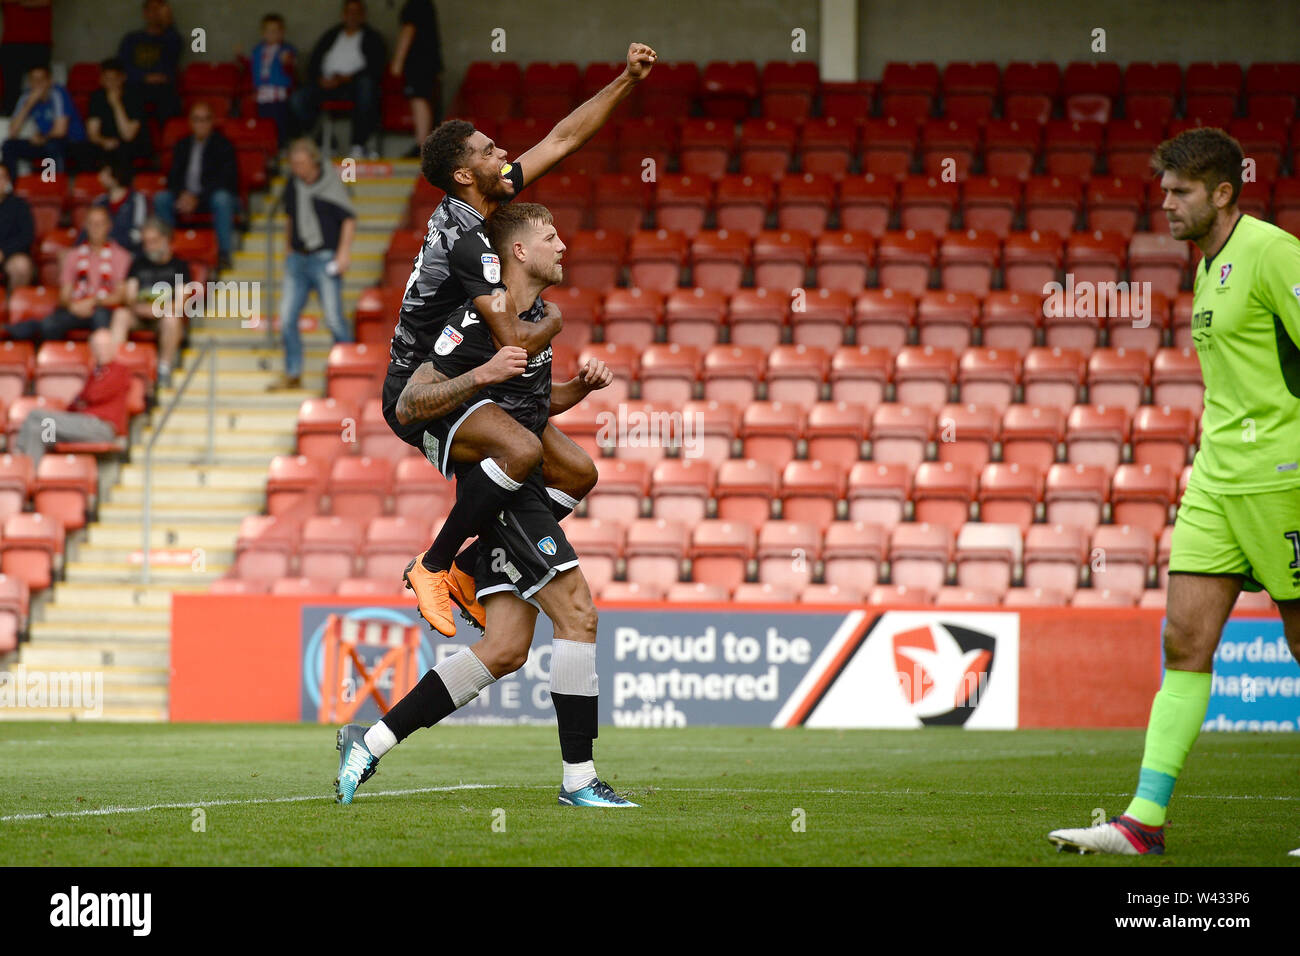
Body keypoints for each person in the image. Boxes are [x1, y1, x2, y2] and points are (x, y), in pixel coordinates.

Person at [1048, 127, 1300, 857]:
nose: (1165, 204)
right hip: (1218, 480)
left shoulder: (1272, 252)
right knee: (1184, 640)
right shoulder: (1208, 264)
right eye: (1163, 190)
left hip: (1282, 477)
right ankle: (1142, 822)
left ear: (1223, 192)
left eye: (1180, 191)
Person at [336, 203, 630, 809]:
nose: (563, 245)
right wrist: (479, 377)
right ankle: (579, 781)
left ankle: (371, 739)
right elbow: (414, 399)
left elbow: (532, 409)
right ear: (518, 251)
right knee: (577, 614)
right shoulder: (476, 317)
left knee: (504, 649)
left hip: (516, 474)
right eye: (551, 236)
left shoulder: (538, 317)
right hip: (504, 485)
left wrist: (583, 387)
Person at [383, 42, 657, 635]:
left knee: (578, 473)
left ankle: (470, 564)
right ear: (464, 175)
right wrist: (555, 320)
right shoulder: (466, 242)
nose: (502, 154)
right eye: (488, 150)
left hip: (471, 369)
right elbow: (514, 339)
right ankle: (432, 565)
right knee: (523, 452)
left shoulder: (482, 210)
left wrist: (626, 80)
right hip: (422, 389)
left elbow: (561, 139)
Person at [266, 138, 355, 391]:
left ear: (313, 161)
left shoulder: (331, 183)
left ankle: (348, 370)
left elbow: (348, 219)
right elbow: (290, 217)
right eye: (293, 164)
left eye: (301, 163)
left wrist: (343, 254)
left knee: (334, 319)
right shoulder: (293, 183)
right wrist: (288, 249)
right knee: (286, 318)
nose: (297, 168)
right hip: (298, 259)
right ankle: (293, 374)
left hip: (325, 257)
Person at [8, 204, 129, 343]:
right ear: (86, 226)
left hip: (104, 309)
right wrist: (73, 306)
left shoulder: (121, 255)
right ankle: (52, 358)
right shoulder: (73, 255)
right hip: (76, 307)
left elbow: (121, 296)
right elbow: (64, 295)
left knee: (101, 317)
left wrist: (94, 301)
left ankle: (99, 362)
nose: (96, 228)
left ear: (109, 226)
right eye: (92, 223)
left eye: (100, 223)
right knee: (50, 324)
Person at [14, 328, 129, 466]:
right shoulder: (95, 372)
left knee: (36, 415)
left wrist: (82, 399)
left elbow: (92, 395)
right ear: (91, 349)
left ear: (114, 347)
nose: (101, 350)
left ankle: (17, 458)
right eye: (97, 347)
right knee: (36, 430)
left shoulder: (120, 370)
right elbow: (75, 404)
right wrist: (81, 400)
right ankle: (28, 475)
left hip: (101, 428)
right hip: (82, 426)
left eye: (104, 346)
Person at [291, 0, 386, 157]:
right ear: (343, 15)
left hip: (353, 85)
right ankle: (318, 139)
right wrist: (320, 79)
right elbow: (313, 62)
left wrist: (346, 78)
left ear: (363, 16)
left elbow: (375, 68)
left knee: (367, 86)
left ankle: (358, 144)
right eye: (349, 12)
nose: (352, 16)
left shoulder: (372, 38)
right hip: (326, 85)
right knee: (298, 99)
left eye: (356, 12)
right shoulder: (332, 35)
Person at [152, 102, 239, 271]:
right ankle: (167, 251)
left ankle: (223, 254)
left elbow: (226, 181)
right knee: (161, 199)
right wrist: (181, 195)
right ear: (191, 122)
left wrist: (197, 198)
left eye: (206, 119)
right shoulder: (182, 145)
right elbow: (172, 178)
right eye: (197, 119)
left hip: (210, 197)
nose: (201, 124)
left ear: (212, 121)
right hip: (185, 198)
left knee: (222, 199)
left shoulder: (224, 145)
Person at [111, 216, 186, 388]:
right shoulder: (138, 264)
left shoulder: (179, 266)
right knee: (120, 314)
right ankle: (115, 366)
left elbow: (182, 302)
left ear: (166, 239)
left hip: (162, 317)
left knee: (172, 319)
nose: (149, 246)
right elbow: (129, 296)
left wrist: (157, 309)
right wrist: (139, 307)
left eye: (153, 241)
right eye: (146, 242)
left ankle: (164, 368)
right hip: (139, 314)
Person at [1, 62, 84, 177]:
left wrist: (42, 138)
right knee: (9, 146)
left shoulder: (58, 93)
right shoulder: (26, 97)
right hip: (45, 140)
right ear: (29, 82)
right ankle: (10, 188)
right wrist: (29, 104)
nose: (38, 84)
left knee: (53, 145)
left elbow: (60, 131)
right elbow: (12, 132)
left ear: (49, 81)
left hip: (71, 141)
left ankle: (52, 187)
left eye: (41, 79)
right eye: (34, 80)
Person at [390, 0, 443, 157]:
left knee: (419, 99)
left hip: (419, 62)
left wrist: (398, 61)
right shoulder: (426, 5)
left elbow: (408, 29)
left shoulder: (416, 5)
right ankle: (423, 144)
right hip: (428, 61)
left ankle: (422, 145)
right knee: (422, 99)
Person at [117, 0, 182, 122]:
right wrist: (145, 77)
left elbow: (171, 61)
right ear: (145, 13)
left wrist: (168, 21)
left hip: (161, 89)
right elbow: (122, 68)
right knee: (126, 96)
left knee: (170, 97)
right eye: (152, 9)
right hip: (135, 86)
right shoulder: (131, 39)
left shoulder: (170, 38)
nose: (155, 13)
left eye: (159, 10)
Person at [78, 57, 147, 171]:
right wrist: (103, 141)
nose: (110, 83)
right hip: (105, 142)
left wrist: (116, 104)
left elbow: (128, 135)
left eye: (114, 79)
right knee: (84, 149)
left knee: (123, 150)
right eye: (106, 79)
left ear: (123, 77)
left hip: (130, 143)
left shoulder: (134, 97)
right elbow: (92, 132)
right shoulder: (97, 97)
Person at [247, 13, 296, 146]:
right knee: (264, 125)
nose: (272, 34)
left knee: (280, 125)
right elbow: (252, 69)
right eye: (268, 31)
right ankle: (267, 152)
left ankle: (281, 150)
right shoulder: (257, 50)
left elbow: (291, 70)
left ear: (282, 33)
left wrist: (287, 61)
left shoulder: (286, 50)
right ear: (263, 33)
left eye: (275, 31)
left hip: (278, 95)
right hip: (261, 96)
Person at [0, 0, 52, 116]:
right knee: (10, 88)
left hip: (40, 40)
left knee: (40, 84)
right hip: (11, 40)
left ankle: (42, 120)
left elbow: (45, 1)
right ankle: (11, 122)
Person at [92, 154, 149, 255]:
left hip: (129, 254)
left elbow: (137, 233)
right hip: (102, 254)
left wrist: (112, 245)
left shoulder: (137, 200)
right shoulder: (99, 202)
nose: (99, 176)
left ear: (116, 173)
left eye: (104, 171)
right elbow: (89, 229)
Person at [0, 164, 35, 289]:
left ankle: (13, 305)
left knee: (22, 266)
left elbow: (26, 236)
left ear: (8, 181)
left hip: (10, 256)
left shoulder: (20, 205)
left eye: (2, 177)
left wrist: (3, 252)